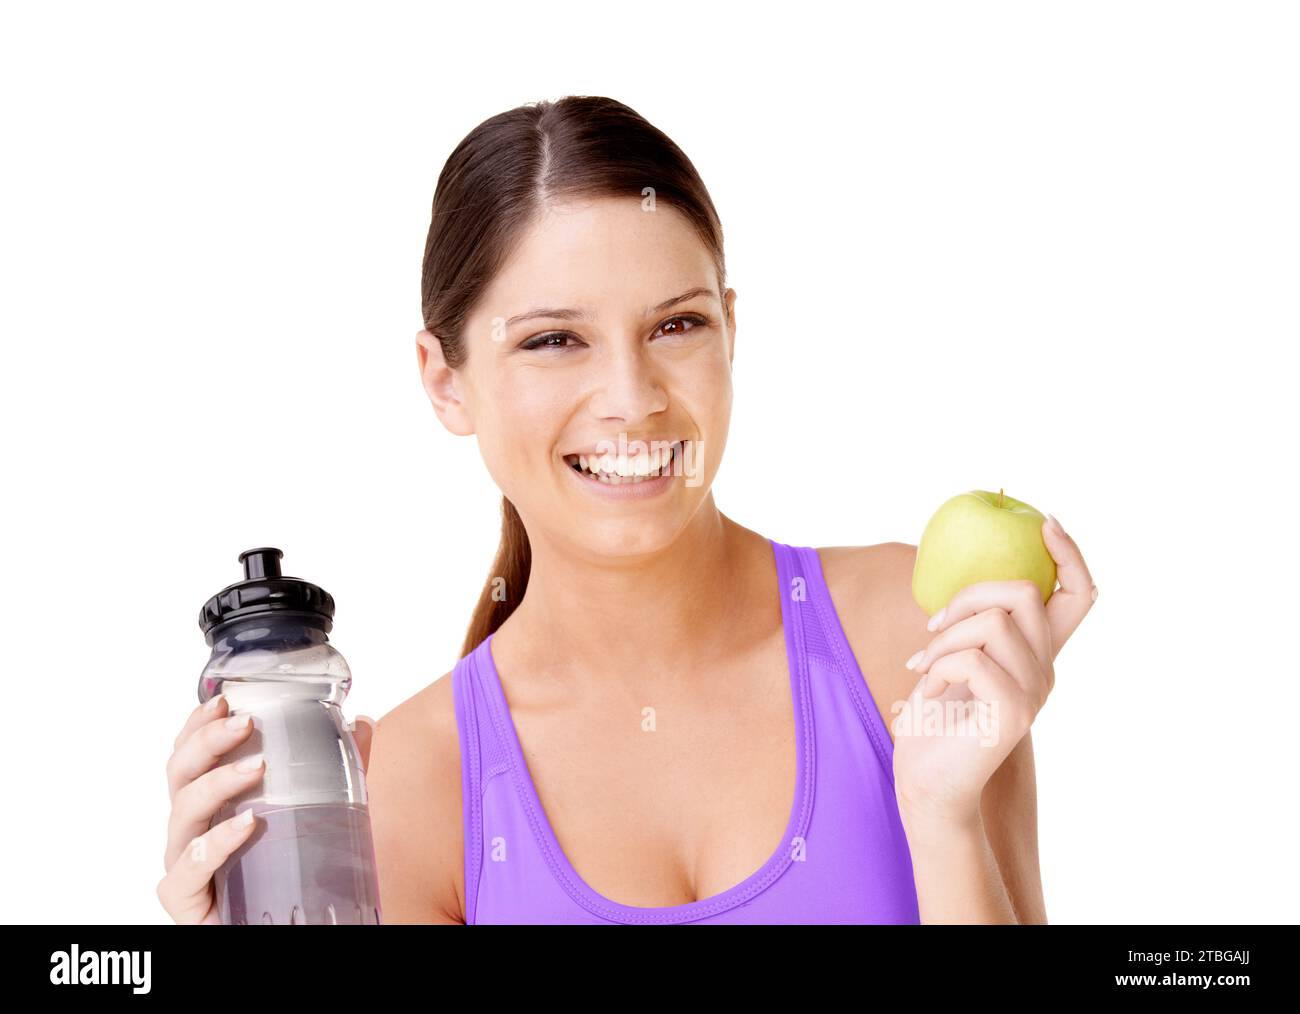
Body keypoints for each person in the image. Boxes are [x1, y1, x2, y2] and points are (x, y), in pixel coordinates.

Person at [158, 95, 1096, 925]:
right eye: (554, 339)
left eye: (676, 324)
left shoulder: (914, 635)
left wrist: (939, 814)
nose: (632, 396)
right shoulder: (411, 782)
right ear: (446, 382)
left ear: (732, 329)